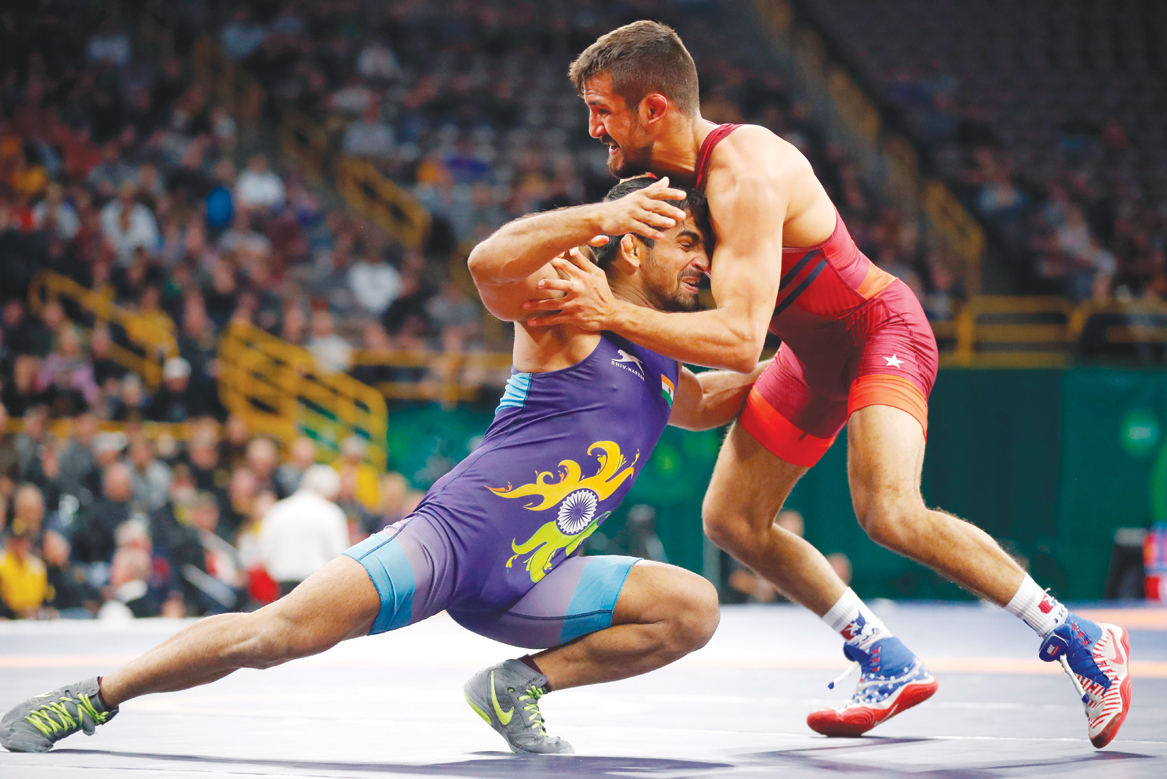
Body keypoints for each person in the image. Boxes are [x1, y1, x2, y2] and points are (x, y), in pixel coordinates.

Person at [525, 20, 1131, 748]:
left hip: (879, 331)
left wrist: (611, 312)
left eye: (601, 109)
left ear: (653, 108)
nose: (592, 128)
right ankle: (882, 654)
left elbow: (737, 337)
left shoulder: (743, 169)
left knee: (889, 511)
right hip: (809, 356)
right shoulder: (668, 190)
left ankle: (1080, 640)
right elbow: (689, 333)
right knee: (731, 520)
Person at [0, 177, 758, 756]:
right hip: (451, 540)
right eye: (689, 241)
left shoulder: (653, 342)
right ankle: (93, 696)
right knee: (276, 634)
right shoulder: (569, 292)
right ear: (633, 241)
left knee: (690, 607)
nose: (703, 261)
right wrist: (601, 214)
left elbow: (703, 403)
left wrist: (804, 369)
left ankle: (517, 685)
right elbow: (486, 265)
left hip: (530, 577)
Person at [257, 465, 349, 597]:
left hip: (283, 586)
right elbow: (339, 556)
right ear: (332, 492)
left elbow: (264, 553)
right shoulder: (331, 513)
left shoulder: (278, 510)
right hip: (317, 585)